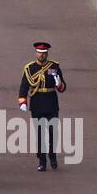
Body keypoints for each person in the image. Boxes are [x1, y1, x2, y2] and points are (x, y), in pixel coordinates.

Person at [18, 41, 66, 171]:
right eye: (39, 53)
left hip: (51, 103)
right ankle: (42, 161)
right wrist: (23, 101)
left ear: (47, 54)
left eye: (44, 53)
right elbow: (24, 86)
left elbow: (62, 88)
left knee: (53, 133)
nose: (41, 55)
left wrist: (59, 83)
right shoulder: (30, 68)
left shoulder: (54, 66)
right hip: (37, 102)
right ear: (36, 53)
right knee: (40, 134)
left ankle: (53, 156)